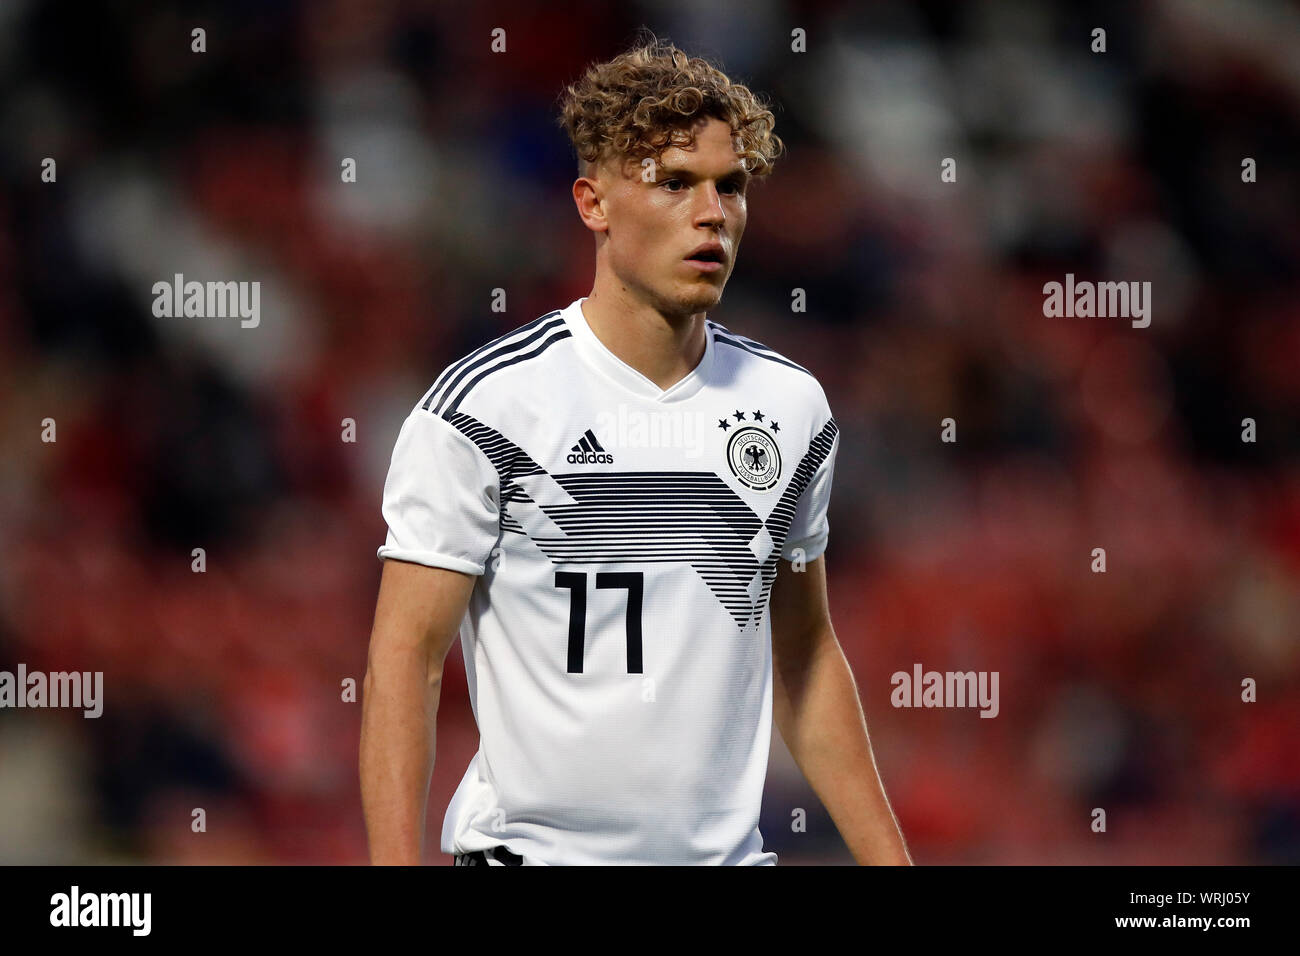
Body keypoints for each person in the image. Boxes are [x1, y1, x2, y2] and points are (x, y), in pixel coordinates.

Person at [359, 33, 911, 866]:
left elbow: (803, 655)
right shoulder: (486, 408)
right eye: (675, 183)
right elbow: (405, 662)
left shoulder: (789, 407)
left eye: (731, 186)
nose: (712, 213)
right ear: (594, 204)